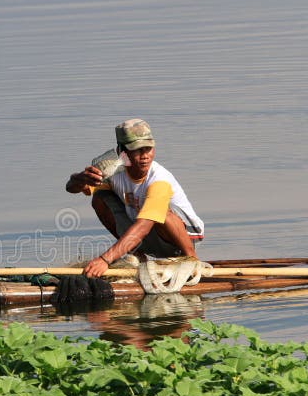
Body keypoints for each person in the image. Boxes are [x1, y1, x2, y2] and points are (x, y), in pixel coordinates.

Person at [65, 118, 204, 278]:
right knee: (99, 198)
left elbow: (144, 225)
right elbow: (71, 188)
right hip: (144, 236)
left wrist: (105, 259)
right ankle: (137, 254)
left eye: (148, 149)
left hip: (180, 240)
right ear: (121, 151)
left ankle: (191, 259)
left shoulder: (159, 180)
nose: (145, 156)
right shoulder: (110, 167)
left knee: (162, 214)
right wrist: (81, 179)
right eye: (137, 150)